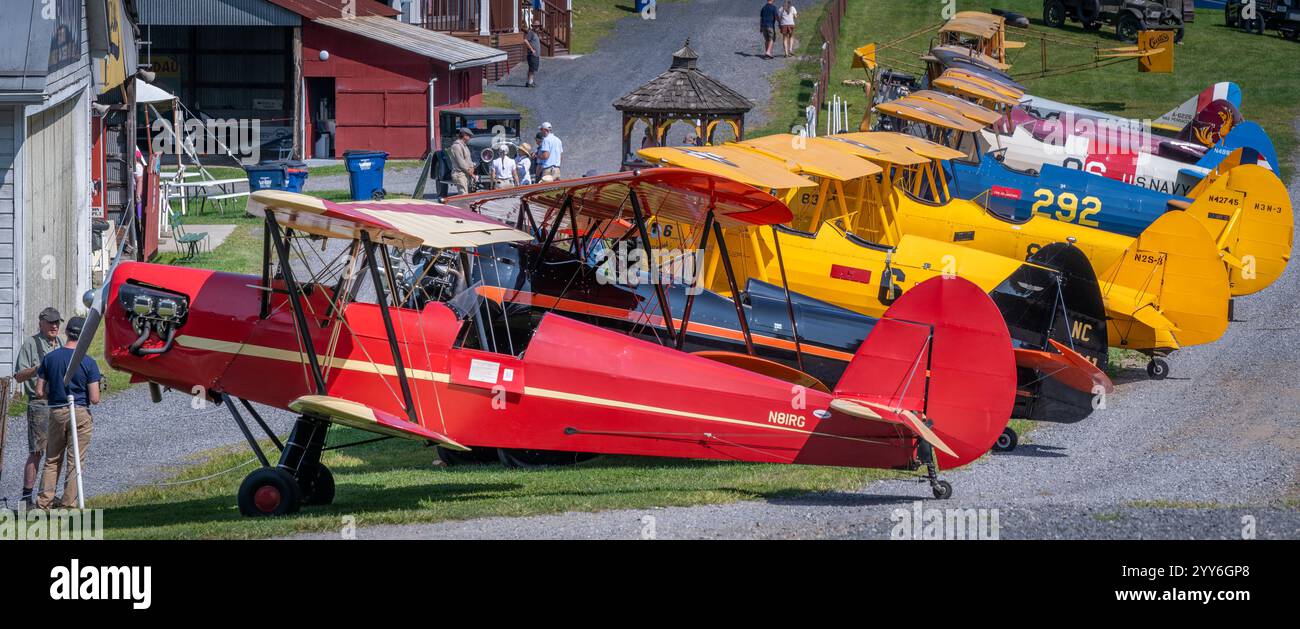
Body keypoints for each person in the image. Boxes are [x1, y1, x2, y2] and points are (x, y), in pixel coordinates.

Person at [35, 316, 102, 510]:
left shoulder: (50, 358)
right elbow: (95, 398)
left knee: (52, 458)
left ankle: (44, 502)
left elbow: (39, 391)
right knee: (75, 461)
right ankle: (68, 504)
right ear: (83, 337)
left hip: (56, 411)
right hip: (80, 411)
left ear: (66, 332)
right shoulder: (88, 362)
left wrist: (54, 395)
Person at [11, 307, 63, 508]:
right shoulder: (30, 344)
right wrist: (38, 368)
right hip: (39, 403)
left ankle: (47, 496)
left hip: (58, 401)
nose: (55, 326)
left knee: (55, 451)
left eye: (57, 322)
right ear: (40, 323)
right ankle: (26, 498)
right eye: (51, 322)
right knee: (37, 451)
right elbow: (18, 375)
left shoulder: (59, 343)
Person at [448, 127, 476, 194]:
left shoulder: (465, 146)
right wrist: (471, 173)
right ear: (464, 135)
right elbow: (461, 163)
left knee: (467, 196)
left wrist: (472, 167)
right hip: (459, 174)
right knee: (463, 195)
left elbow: (468, 159)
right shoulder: (456, 146)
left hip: (466, 174)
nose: (470, 138)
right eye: (469, 136)